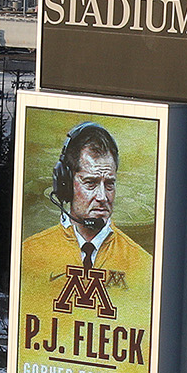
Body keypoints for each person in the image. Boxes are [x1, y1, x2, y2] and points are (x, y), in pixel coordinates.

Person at [17, 122, 151, 312]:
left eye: (110, 184)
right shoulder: (29, 254)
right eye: (91, 183)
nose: (103, 197)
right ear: (65, 184)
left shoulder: (143, 265)